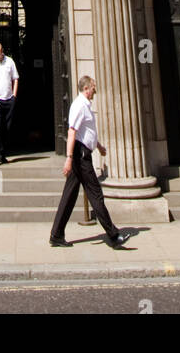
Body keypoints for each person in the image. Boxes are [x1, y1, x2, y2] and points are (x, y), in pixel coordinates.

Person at [49, 75, 130, 249]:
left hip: (82, 153)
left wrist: (98, 146)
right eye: (93, 87)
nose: (95, 90)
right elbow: (72, 132)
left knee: (69, 196)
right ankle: (113, 235)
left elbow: (86, 133)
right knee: (96, 195)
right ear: (86, 88)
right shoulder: (80, 106)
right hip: (80, 157)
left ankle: (56, 235)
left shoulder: (85, 105)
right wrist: (69, 159)